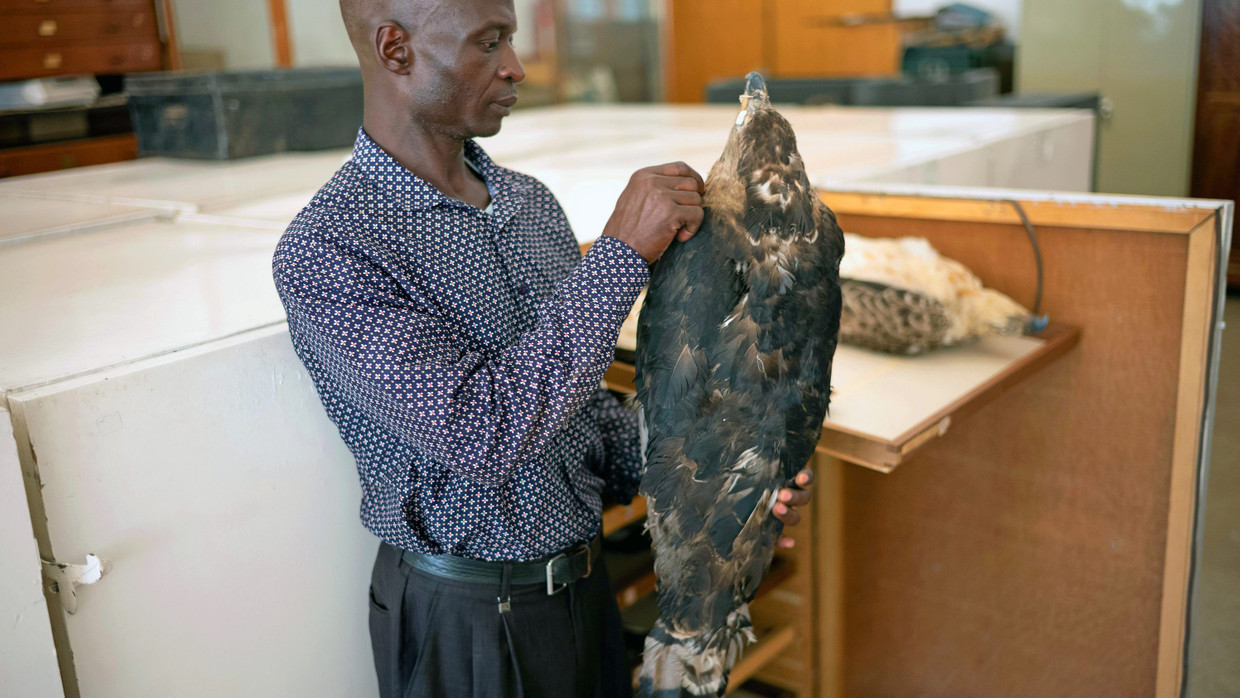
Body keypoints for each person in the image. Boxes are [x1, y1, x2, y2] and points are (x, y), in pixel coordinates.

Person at [271, 0, 815, 696]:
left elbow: (584, 425)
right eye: (488, 42)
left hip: (583, 598)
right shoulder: (329, 248)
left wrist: (718, 468)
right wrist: (620, 254)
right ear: (395, 48)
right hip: (461, 625)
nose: (515, 66)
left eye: (511, 39)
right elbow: (483, 434)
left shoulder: (529, 205)